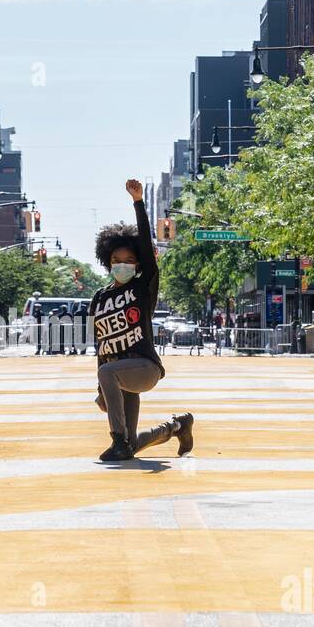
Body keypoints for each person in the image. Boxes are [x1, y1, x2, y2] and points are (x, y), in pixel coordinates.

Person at [91, 180, 194, 462]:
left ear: (137, 265)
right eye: (116, 259)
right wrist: (102, 389)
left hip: (145, 367)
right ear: (108, 262)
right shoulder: (99, 297)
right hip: (117, 375)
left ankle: (117, 440)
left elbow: (148, 250)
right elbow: (102, 346)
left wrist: (138, 203)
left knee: (122, 442)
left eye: (129, 259)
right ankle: (178, 425)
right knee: (133, 446)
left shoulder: (141, 288)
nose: (122, 264)